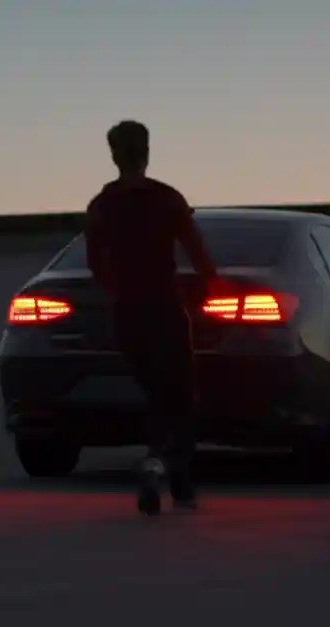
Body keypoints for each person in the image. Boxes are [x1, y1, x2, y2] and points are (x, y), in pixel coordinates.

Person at [83, 120, 222, 516]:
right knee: (179, 394)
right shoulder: (167, 199)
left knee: (155, 392)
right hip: (165, 307)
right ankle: (173, 476)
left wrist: (117, 291)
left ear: (113, 154)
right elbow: (198, 252)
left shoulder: (102, 205)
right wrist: (208, 286)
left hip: (127, 313)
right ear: (147, 152)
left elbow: (95, 262)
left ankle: (161, 466)